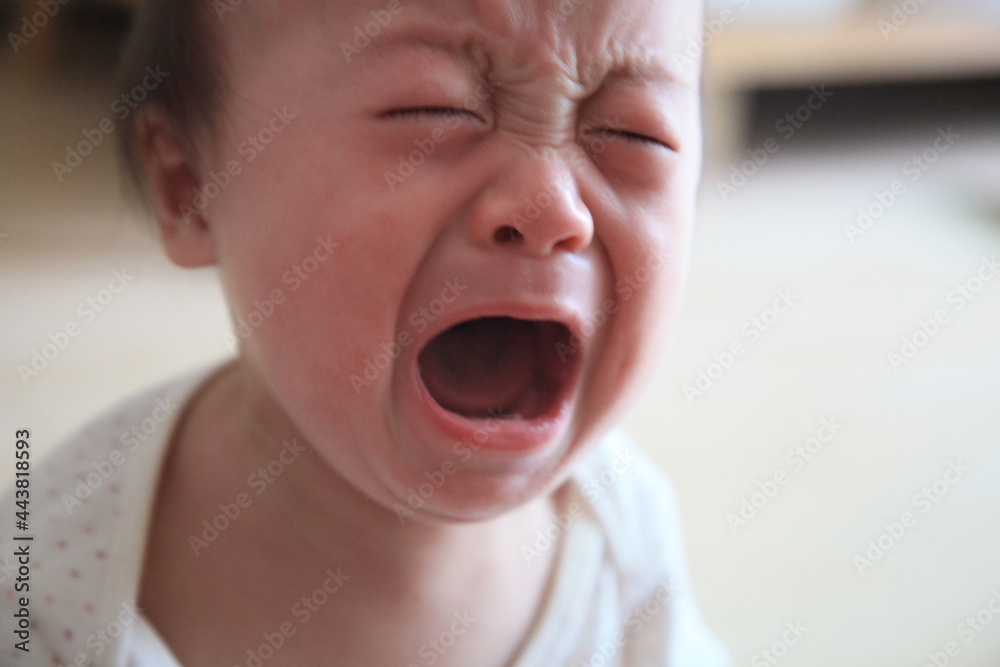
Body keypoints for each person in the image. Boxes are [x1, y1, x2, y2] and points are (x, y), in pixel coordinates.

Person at [2, 0, 730, 664]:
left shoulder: (622, 538)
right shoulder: (47, 593)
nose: (551, 208)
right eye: (433, 109)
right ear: (189, 185)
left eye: (632, 131)